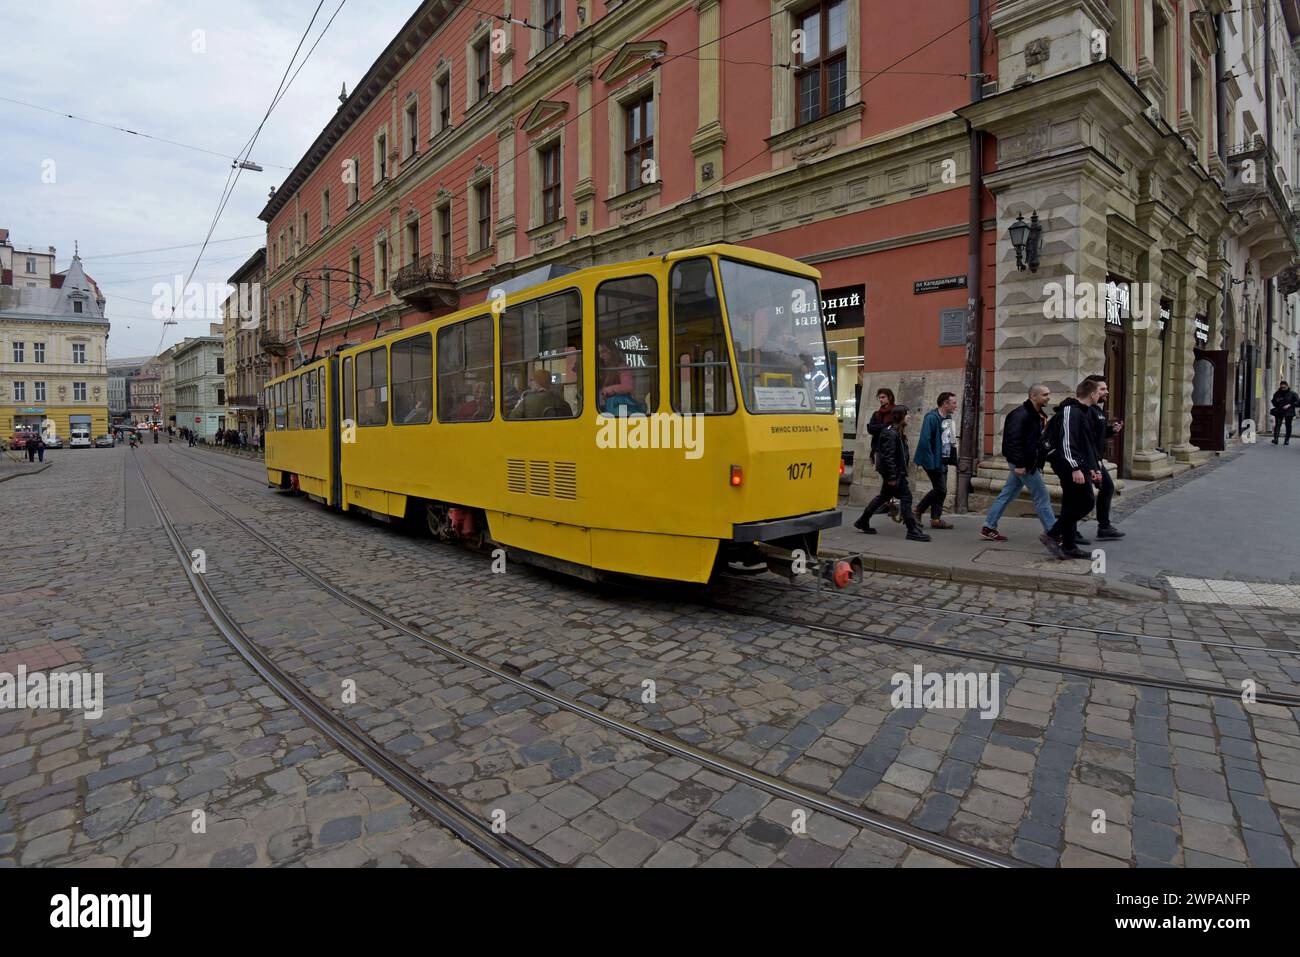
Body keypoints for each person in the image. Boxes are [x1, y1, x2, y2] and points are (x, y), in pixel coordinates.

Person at [981, 384, 1057, 541]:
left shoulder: (1037, 414)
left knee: (1008, 494)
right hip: (1024, 464)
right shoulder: (1020, 415)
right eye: (1044, 394)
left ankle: (989, 526)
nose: (1048, 397)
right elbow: (1012, 442)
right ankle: (1053, 533)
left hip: (1027, 462)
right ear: (1033, 396)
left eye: (1048, 394)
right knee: (1042, 496)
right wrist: (1020, 464)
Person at [1041, 379, 1104, 560]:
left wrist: (1092, 467)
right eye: (1098, 392)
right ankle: (1053, 534)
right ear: (1092, 394)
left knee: (1071, 503)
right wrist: (1075, 467)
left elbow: (1086, 443)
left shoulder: (1083, 412)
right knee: (1086, 502)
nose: (1100, 394)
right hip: (1069, 464)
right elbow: (1067, 442)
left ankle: (1069, 546)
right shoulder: (1071, 411)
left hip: (1078, 463)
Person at [853, 406, 931, 542]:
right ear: (900, 416)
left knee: (883, 496)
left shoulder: (897, 432)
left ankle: (862, 521)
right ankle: (912, 529)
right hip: (895, 474)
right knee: (906, 498)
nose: (909, 417)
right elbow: (888, 457)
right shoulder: (890, 433)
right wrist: (892, 477)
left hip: (896, 473)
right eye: (907, 414)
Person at [1081, 374, 1123, 541]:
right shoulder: (1084, 411)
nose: (1107, 391)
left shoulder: (1097, 410)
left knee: (1107, 488)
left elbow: (1098, 434)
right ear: (1092, 391)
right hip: (1088, 461)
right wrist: (1093, 466)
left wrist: (1112, 430)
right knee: (1082, 499)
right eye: (1103, 389)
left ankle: (1104, 527)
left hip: (1095, 459)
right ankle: (1063, 530)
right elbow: (1085, 440)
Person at [913, 392, 957, 529]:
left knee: (941, 489)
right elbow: (925, 441)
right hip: (932, 458)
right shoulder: (931, 418)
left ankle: (936, 519)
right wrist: (930, 461)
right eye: (953, 403)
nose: (955, 405)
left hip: (943, 458)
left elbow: (949, 438)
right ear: (945, 404)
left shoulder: (948, 417)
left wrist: (952, 456)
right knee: (940, 489)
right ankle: (917, 510)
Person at [1271, 381, 1298, 445]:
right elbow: (1273, 401)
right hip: (1279, 411)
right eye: (1281, 387)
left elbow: (1297, 402)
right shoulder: (1277, 393)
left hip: (1289, 412)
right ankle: (1276, 439)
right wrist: (1277, 404)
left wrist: (1289, 405)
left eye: (1284, 387)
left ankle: (1287, 440)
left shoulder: (1293, 394)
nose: (1283, 389)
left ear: (1287, 386)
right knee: (1277, 425)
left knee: (1288, 426)